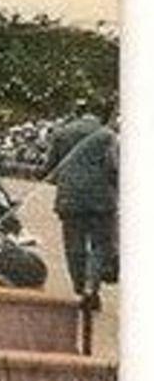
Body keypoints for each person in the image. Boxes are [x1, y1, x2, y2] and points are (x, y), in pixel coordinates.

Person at [46, 115, 117, 308]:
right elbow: (113, 167)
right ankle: (91, 285)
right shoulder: (107, 135)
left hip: (69, 199)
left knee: (73, 246)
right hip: (101, 199)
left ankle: (79, 287)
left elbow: (50, 167)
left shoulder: (61, 133)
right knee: (100, 245)